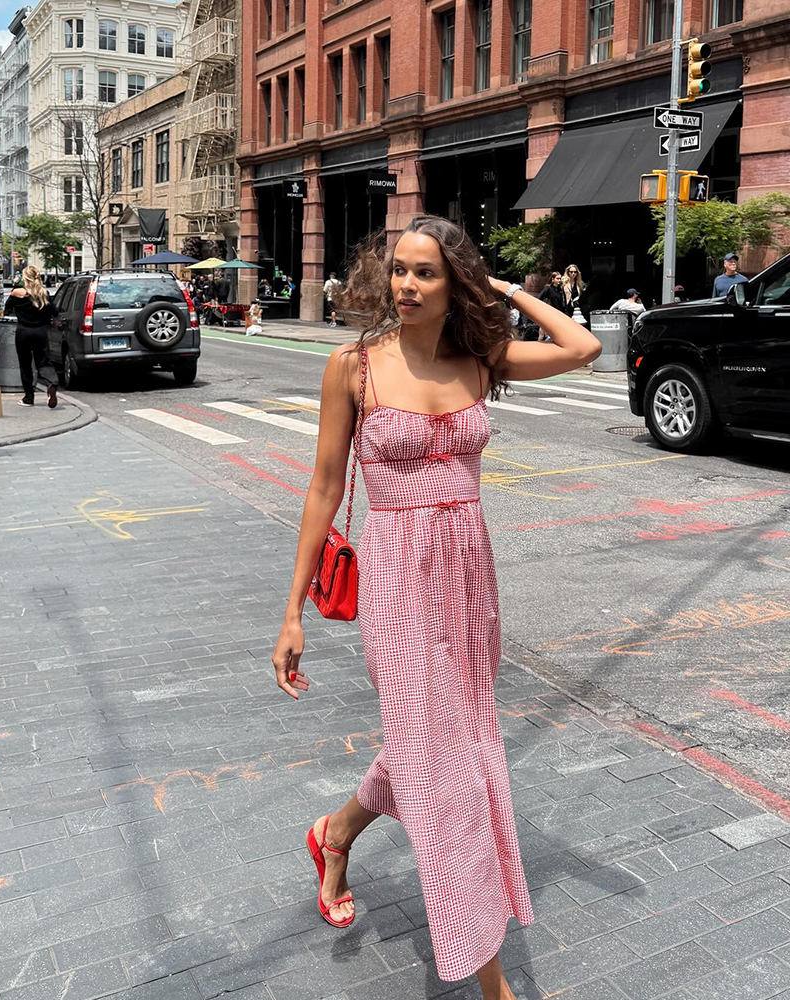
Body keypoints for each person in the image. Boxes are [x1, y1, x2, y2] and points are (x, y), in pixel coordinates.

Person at [271, 215, 601, 1000]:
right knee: (446, 768)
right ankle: (490, 978)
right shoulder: (351, 368)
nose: (407, 285)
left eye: (426, 272)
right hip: (395, 572)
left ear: (455, 283)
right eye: (399, 270)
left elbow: (583, 350)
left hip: (468, 575)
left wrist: (508, 289)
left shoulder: (479, 361)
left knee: (448, 740)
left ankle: (335, 833)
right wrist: (291, 613)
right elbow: (324, 488)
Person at [7, 265, 58, 408]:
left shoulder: (17, 293)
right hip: (40, 332)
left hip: (23, 332)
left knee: (25, 365)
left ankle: (29, 398)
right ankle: (51, 384)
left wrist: (15, 287)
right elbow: (54, 312)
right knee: (43, 362)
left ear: (25, 278)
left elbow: (7, 308)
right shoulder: (44, 293)